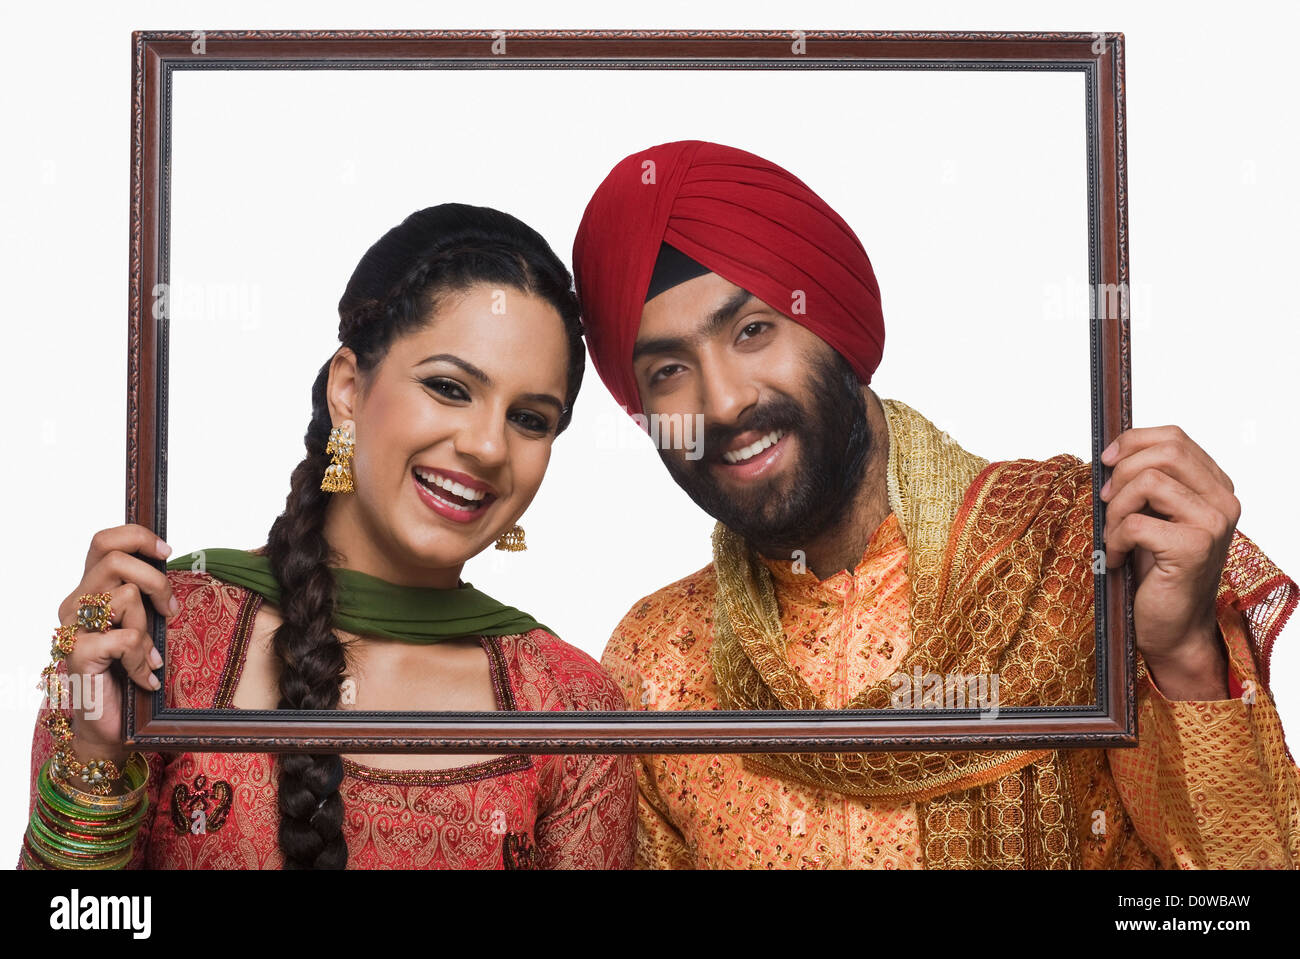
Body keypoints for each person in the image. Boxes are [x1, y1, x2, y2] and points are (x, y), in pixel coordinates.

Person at [573, 139, 1300, 869]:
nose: (725, 400)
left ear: (833, 323)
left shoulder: (1081, 550)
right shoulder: (653, 660)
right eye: (668, 370)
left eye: (753, 330)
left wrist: (1183, 657)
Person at [21, 203, 635, 870]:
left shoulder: (574, 710)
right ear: (348, 387)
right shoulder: (162, 635)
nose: (488, 446)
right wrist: (94, 757)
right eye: (450, 387)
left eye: (528, 418)